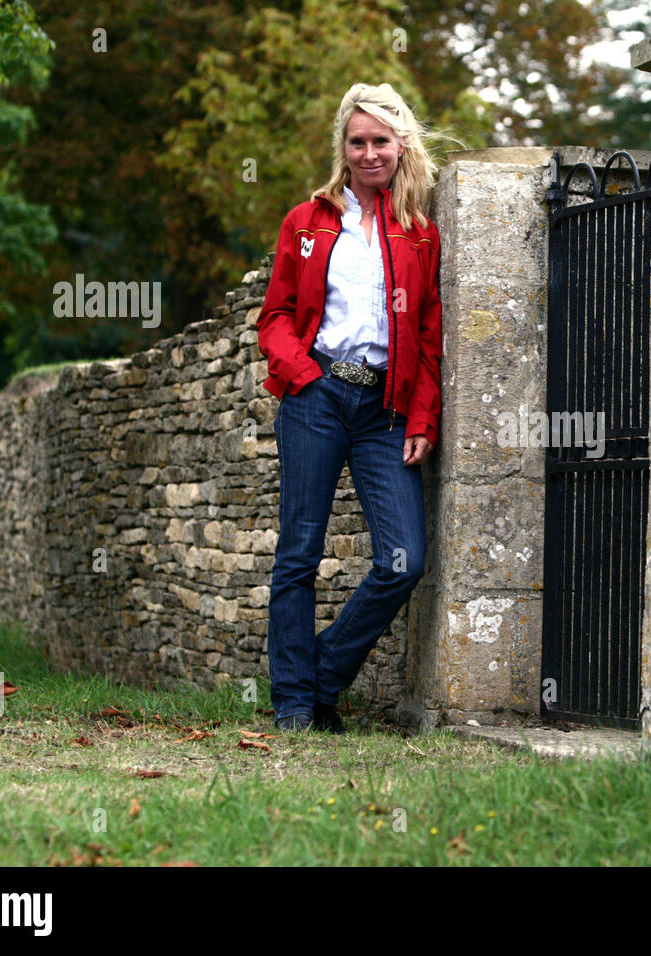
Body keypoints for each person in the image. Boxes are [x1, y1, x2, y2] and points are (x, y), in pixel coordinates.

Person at [256, 82, 443, 732]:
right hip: (316, 397)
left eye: (380, 142)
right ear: (343, 145)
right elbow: (275, 315)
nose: (369, 153)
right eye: (357, 141)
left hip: (384, 411)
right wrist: (300, 373)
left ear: (401, 145)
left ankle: (322, 675)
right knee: (299, 551)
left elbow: (426, 334)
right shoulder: (307, 222)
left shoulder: (418, 232)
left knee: (404, 561)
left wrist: (422, 418)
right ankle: (295, 707)